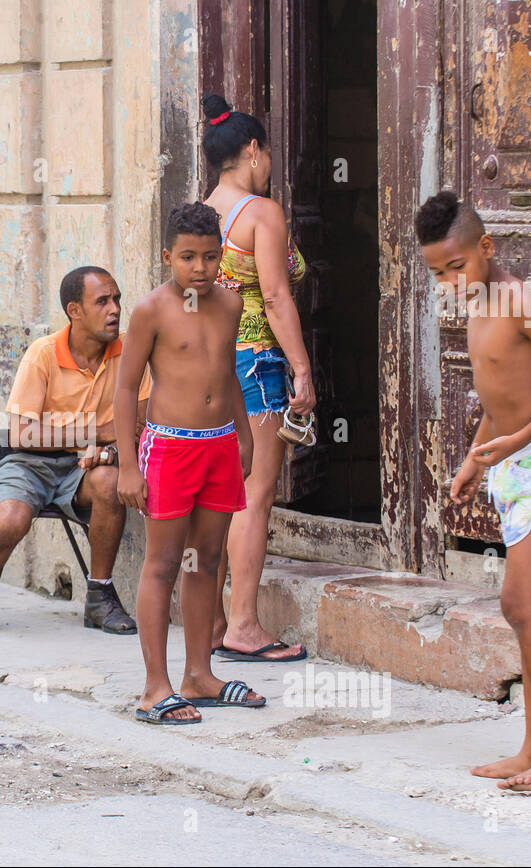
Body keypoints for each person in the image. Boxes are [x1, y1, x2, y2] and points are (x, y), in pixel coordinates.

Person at [417, 190, 531, 792]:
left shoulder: (518, 298)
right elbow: (499, 394)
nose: (449, 281)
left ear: (486, 248)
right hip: (513, 464)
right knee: (528, 608)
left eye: (456, 267)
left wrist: (520, 436)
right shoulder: (475, 303)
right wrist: (474, 455)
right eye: (438, 273)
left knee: (521, 603)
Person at [0, 266, 150, 633]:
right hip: (28, 463)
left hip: (84, 467)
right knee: (12, 520)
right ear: (75, 310)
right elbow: (24, 436)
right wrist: (98, 431)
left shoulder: (129, 352)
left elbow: (137, 427)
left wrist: (105, 450)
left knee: (109, 481)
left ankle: (100, 598)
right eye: (102, 301)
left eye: (116, 299)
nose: (115, 309)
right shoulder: (45, 353)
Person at [115, 202, 266, 724]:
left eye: (208, 256)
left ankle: (198, 674)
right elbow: (127, 386)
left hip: (221, 444)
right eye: (186, 258)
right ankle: (155, 688)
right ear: (167, 257)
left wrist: (244, 436)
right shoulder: (151, 310)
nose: (198, 268)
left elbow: (229, 375)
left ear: (221, 254)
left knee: (207, 561)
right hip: (170, 447)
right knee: (162, 564)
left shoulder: (229, 303)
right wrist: (130, 466)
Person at [200, 94, 314, 664]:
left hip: (210, 366)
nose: (269, 166)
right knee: (254, 494)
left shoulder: (198, 213)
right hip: (256, 363)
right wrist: (301, 368)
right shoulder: (261, 214)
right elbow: (273, 295)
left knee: (219, 495)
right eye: (267, 154)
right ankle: (244, 625)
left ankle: (215, 620)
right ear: (251, 150)